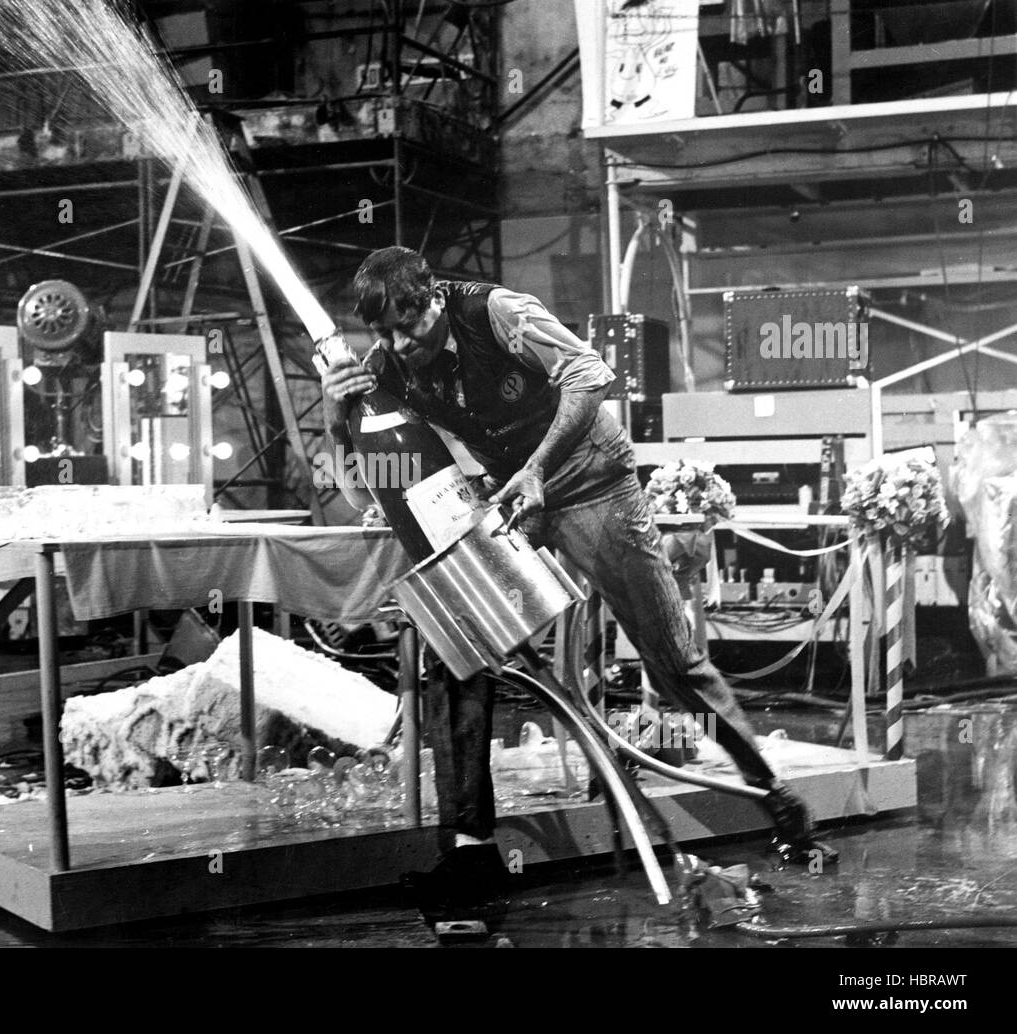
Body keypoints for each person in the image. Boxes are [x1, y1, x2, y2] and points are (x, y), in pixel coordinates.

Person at [321, 247, 837, 909]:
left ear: (435, 298)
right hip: (513, 497)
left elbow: (593, 376)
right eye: (384, 333)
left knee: (673, 660)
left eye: (409, 323)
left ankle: (779, 800)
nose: (399, 344)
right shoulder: (387, 364)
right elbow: (357, 494)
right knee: (458, 655)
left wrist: (538, 467)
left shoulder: (497, 311)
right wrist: (338, 417)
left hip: (591, 485)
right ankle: (471, 855)